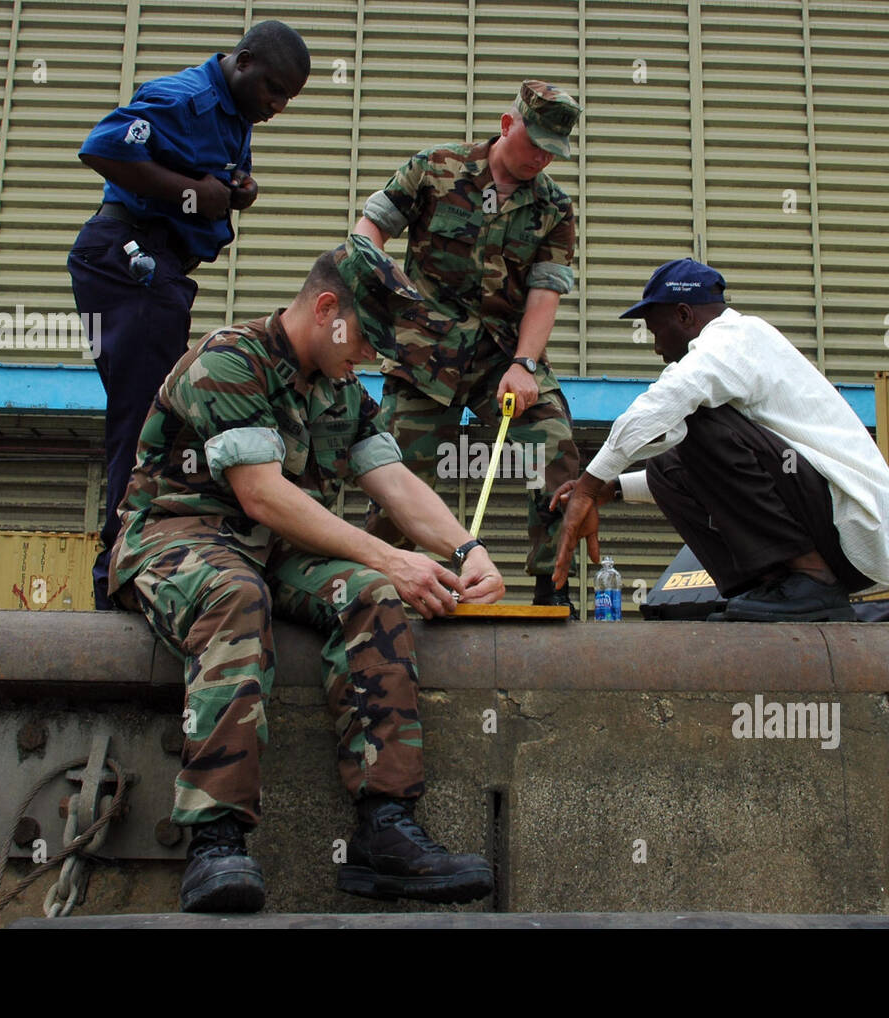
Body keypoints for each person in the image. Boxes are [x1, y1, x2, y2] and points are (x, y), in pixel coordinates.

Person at [109, 235, 505, 912]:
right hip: (180, 534)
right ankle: (216, 839)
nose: (371, 359)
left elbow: (393, 482)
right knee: (236, 595)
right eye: (366, 341)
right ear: (328, 308)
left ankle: (385, 831)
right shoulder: (230, 360)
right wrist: (388, 553)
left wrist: (466, 550)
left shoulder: (342, 390)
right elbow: (261, 493)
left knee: (375, 594)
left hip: (271, 548)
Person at [69, 20, 310, 609]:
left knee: (157, 420)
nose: (277, 107)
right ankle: (118, 575)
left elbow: (210, 181)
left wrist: (233, 192)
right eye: (273, 90)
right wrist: (192, 194)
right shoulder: (186, 98)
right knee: (142, 420)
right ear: (244, 61)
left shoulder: (235, 115)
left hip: (162, 271)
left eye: (288, 99)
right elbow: (102, 146)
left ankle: (130, 563)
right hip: (131, 261)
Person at [551, 258, 889, 622]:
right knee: (664, 465)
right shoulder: (733, 354)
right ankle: (764, 586)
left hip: (851, 530)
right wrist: (612, 488)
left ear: (685, 315)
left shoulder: (736, 339)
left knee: (691, 416)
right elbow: (719, 471)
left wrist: (586, 487)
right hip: (829, 527)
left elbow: (671, 398)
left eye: (656, 332)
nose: (656, 347)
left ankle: (810, 576)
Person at [351, 80, 584, 613]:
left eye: (553, 150)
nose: (541, 158)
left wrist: (525, 364)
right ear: (508, 125)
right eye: (535, 142)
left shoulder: (554, 208)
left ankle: (553, 587)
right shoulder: (435, 168)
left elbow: (545, 292)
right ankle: (378, 591)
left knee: (553, 443)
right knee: (398, 468)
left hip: (503, 354)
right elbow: (368, 235)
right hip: (425, 353)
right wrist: (381, 305)